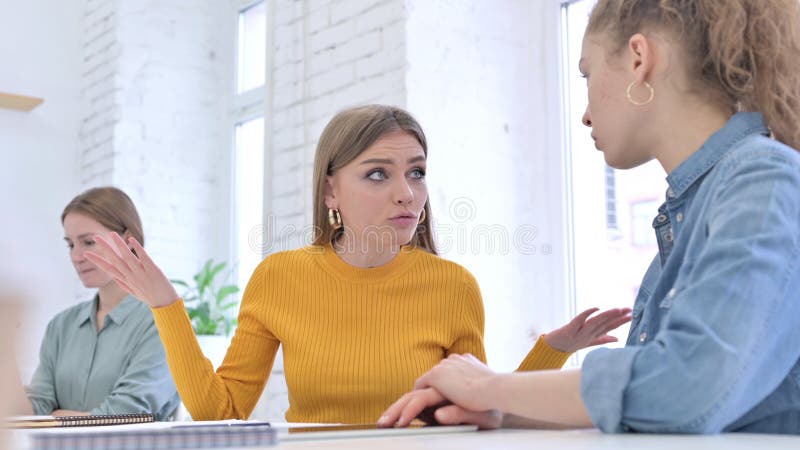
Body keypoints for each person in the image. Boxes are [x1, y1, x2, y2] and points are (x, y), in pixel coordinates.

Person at [380, 0, 800, 435]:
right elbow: (647, 407)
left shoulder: (764, 179)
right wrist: (496, 410)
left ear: (639, 59)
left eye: (587, 73)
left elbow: (687, 386)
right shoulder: (686, 219)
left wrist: (490, 387)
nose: (584, 114)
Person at [85, 105, 630, 423]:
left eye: (416, 172)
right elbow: (221, 413)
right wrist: (166, 305)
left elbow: (479, 414)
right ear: (330, 190)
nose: (406, 194)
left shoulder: (452, 286)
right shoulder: (280, 277)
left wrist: (550, 352)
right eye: (378, 174)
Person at [20, 187, 180, 420]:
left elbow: (126, 415)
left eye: (88, 242)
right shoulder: (60, 326)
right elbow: (38, 408)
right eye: (70, 244)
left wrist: (56, 417)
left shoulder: (160, 323)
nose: (76, 256)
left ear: (127, 240)